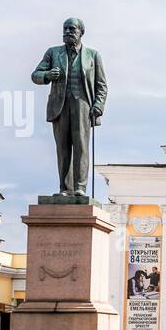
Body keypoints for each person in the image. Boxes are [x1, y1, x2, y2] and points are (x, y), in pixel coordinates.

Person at [31, 17, 108, 197]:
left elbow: (102, 85)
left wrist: (98, 105)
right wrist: (48, 75)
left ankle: (80, 187)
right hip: (60, 105)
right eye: (65, 29)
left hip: (83, 105)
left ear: (81, 32)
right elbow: (35, 75)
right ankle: (65, 189)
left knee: (81, 146)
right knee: (63, 148)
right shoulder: (53, 53)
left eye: (71, 29)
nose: (67, 32)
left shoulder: (93, 55)